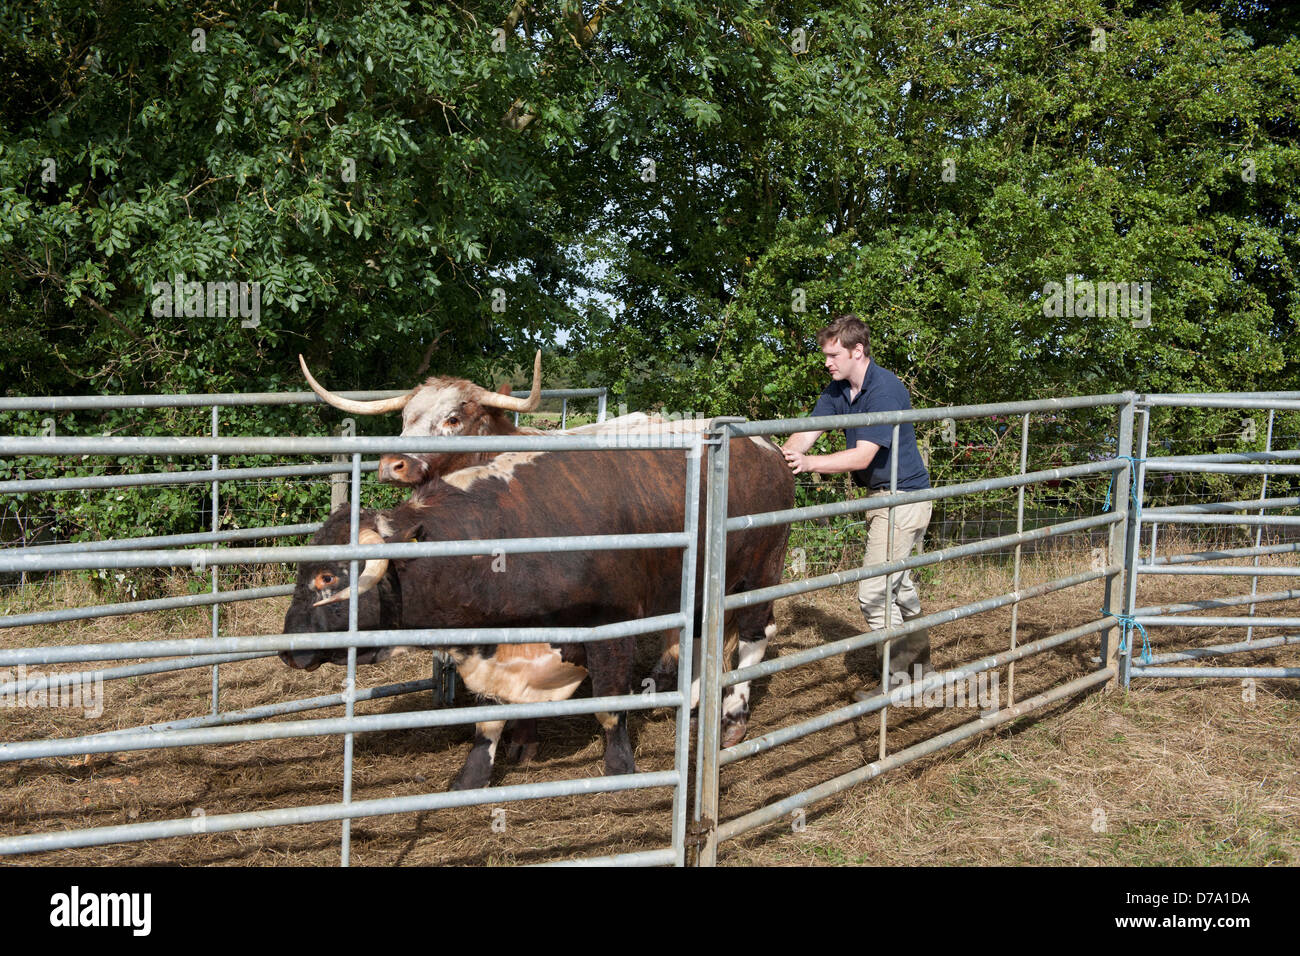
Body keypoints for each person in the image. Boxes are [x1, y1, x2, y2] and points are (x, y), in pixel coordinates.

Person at [781, 314, 934, 694]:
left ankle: (903, 683)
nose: (827, 362)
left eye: (833, 355)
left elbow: (863, 456)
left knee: (874, 593)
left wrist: (810, 464)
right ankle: (918, 671)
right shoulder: (839, 391)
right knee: (898, 587)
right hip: (884, 499)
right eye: (826, 355)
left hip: (903, 499)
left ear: (858, 351)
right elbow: (808, 432)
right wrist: (784, 456)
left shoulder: (884, 390)